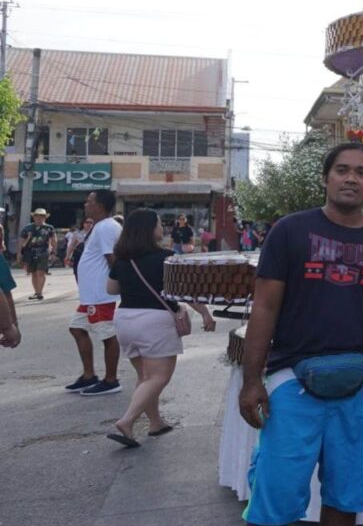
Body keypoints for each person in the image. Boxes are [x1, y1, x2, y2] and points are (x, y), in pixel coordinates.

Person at [239, 142, 363, 526]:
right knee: (274, 496)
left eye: (361, 172)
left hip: (358, 385)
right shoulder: (290, 231)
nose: (351, 178)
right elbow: (264, 307)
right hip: (290, 384)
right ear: (326, 177)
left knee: (345, 496)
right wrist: (251, 379)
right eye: (342, 170)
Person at [104, 209, 216, 447]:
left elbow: (111, 290)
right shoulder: (167, 257)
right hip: (154, 321)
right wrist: (205, 313)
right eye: (158, 224)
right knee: (158, 376)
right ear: (149, 229)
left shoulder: (123, 259)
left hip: (125, 319)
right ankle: (127, 420)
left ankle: (156, 423)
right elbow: (188, 292)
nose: (162, 228)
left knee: (145, 377)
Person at [67, 189, 123, 396]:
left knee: (107, 335)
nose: (85, 205)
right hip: (91, 295)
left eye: (88, 201)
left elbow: (112, 260)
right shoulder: (100, 227)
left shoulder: (106, 227)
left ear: (99, 206)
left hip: (101, 295)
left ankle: (111, 380)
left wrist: (121, 285)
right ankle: (89, 375)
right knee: (76, 328)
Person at [19, 207, 55, 301]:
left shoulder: (49, 228)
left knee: (41, 272)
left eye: (41, 216)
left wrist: (54, 252)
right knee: (33, 273)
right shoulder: (27, 228)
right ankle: (36, 292)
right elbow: (21, 241)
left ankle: (40, 292)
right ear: (34, 217)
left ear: (45, 218)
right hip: (30, 253)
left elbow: (53, 240)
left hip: (43, 252)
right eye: (37, 216)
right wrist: (19, 254)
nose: (39, 218)